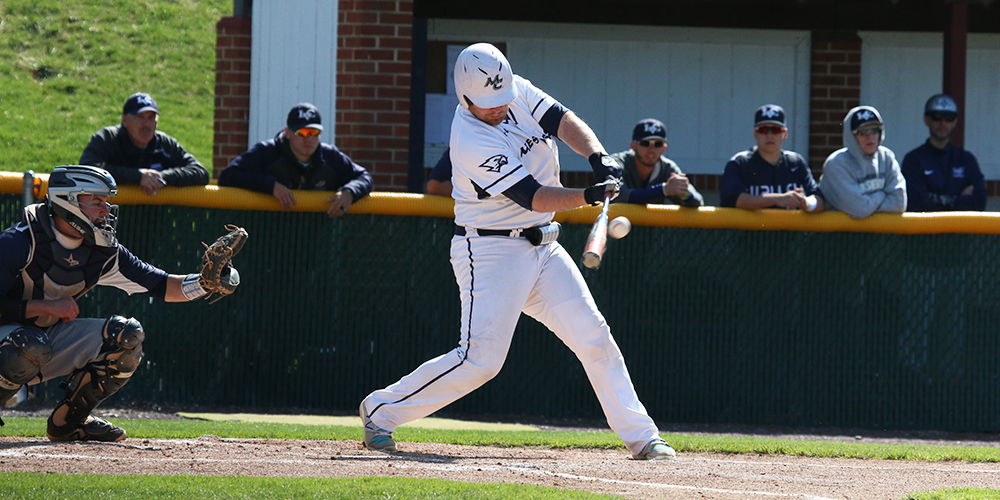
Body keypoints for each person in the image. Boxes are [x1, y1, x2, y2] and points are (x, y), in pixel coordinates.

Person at [360, 43, 675, 461]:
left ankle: (643, 437)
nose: (498, 107)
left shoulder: (514, 90)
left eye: (502, 98)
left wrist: (597, 156)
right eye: (488, 103)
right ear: (465, 96)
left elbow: (561, 121)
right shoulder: (469, 138)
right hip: (490, 251)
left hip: (543, 247)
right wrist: (587, 193)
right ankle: (381, 410)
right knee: (482, 360)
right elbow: (533, 196)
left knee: (594, 336)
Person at [0, 165, 239, 441]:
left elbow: (162, 284)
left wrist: (205, 283)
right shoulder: (19, 242)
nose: (105, 210)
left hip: (39, 341)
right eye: (97, 201)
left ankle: (69, 422)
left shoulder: (103, 251)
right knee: (27, 344)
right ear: (69, 200)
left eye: (106, 202)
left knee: (126, 336)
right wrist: (44, 307)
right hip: (15, 341)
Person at [218, 103, 372, 217]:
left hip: (315, 242)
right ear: (288, 133)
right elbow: (228, 175)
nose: (308, 139)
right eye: (302, 132)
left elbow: (363, 177)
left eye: (314, 132)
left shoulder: (330, 156)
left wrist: (349, 192)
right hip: (266, 239)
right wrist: (270, 186)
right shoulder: (267, 152)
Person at [79, 92, 209, 196]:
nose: (146, 124)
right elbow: (87, 170)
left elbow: (200, 173)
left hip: (156, 223)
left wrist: (162, 177)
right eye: (140, 117)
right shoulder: (107, 138)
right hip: (111, 221)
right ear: (124, 120)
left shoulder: (164, 143)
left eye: (151, 118)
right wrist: (137, 177)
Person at [720, 105, 824, 212]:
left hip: (789, 228)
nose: (769, 136)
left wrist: (806, 202)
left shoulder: (796, 163)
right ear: (755, 134)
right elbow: (732, 199)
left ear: (785, 134)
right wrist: (776, 199)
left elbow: (819, 200)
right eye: (763, 130)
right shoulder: (740, 163)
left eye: (776, 130)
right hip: (752, 228)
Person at [901, 94, 986, 212]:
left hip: (960, 229)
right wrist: (959, 200)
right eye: (937, 117)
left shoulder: (967, 160)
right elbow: (915, 204)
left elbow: (979, 202)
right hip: (927, 229)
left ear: (955, 121)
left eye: (949, 118)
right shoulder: (913, 160)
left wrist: (934, 199)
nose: (943, 123)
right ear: (927, 120)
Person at [819, 106, 906, 218]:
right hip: (839, 234)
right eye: (862, 132)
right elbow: (859, 209)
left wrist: (868, 202)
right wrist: (883, 194)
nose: (869, 137)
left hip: (878, 234)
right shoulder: (836, 164)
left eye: (874, 130)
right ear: (851, 136)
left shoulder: (887, 157)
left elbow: (899, 203)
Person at [610, 118, 703, 206]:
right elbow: (618, 196)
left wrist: (685, 194)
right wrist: (663, 190)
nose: (651, 149)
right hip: (618, 221)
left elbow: (699, 201)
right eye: (645, 143)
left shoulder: (668, 168)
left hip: (650, 222)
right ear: (633, 146)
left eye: (658, 144)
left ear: (663, 148)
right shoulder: (617, 163)